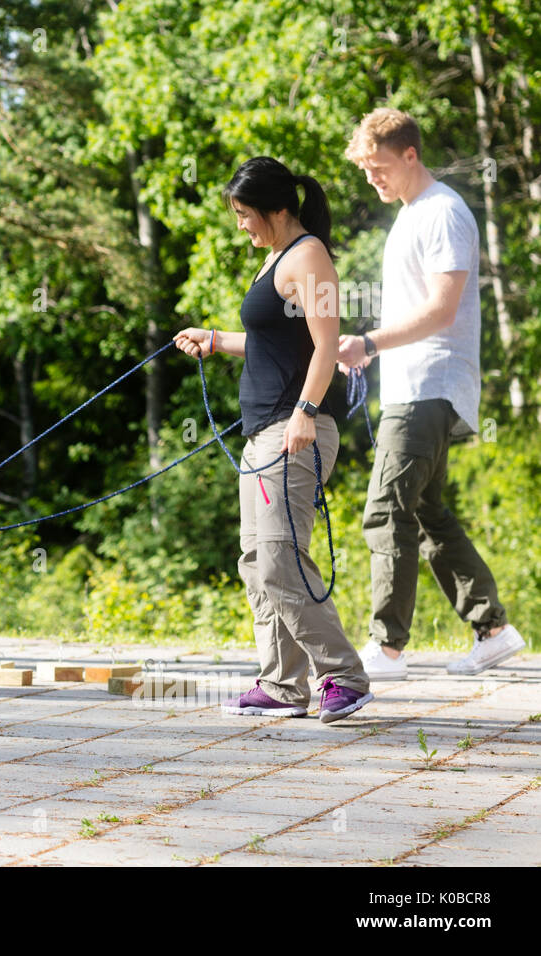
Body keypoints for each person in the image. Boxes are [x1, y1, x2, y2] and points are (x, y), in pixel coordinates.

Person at [175, 157, 372, 723]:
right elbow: (272, 342)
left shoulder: (310, 256)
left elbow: (327, 341)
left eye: (245, 214)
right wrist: (214, 339)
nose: (241, 225)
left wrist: (306, 411)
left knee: (281, 562)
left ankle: (344, 677)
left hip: (294, 430)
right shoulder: (275, 259)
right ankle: (283, 685)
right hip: (262, 432)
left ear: (278, 209)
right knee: (257, 559)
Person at [338, 108, 525, 679]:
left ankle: (387, 648)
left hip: (429, 384)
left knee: (385, 510)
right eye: (366, 170)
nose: (373, 179)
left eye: (379, 167)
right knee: (426, 513)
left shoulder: (443, 212)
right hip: (415, 386)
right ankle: (492, 629)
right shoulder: (414, 214)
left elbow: (442, 310)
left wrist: (367, 342)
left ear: (410, 154)